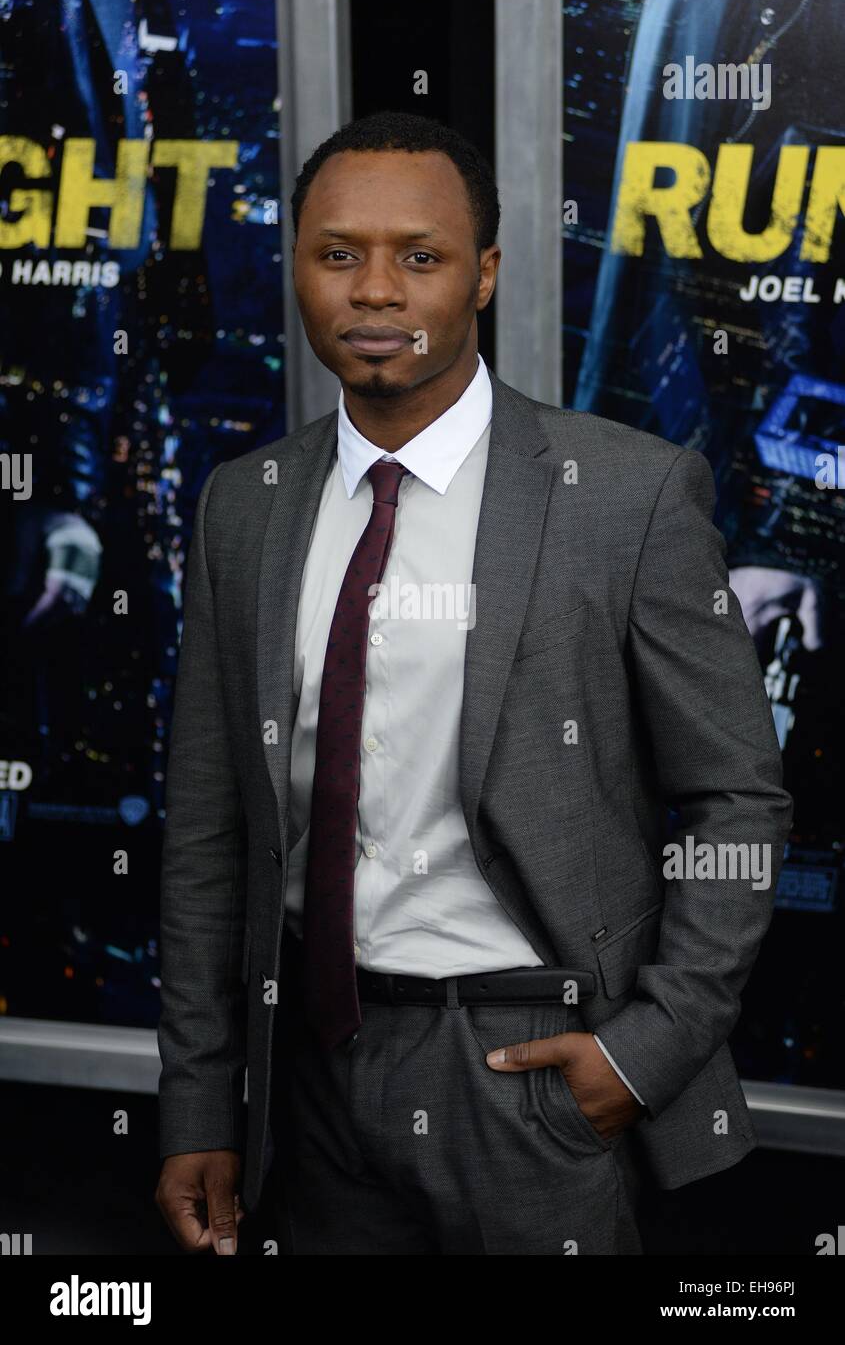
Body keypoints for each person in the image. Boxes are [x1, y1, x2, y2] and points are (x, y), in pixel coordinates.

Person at [154, 111, 793, 1256]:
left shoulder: (625, 497)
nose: (376, 293)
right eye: (338, 254)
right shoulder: (241, 505)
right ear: (293, 265)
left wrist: (639, 1053)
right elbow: (209, 830)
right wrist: (203, 1101)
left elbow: (735, 800)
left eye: (422, 256)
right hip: (309, 1071)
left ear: (485, 272)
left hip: (535, 1068)